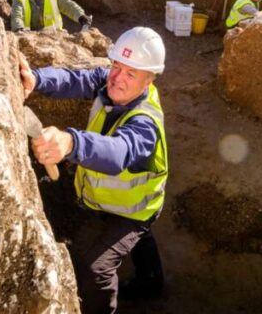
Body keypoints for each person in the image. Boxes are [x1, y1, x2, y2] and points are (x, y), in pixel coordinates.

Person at [19, 27, 168, 314]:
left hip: (134, 211)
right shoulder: (111, 83)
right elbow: (75, 79)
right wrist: (37, 79)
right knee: (141, 240)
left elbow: (119, 152)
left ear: (149, 79)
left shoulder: (145, 125)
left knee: (95, 267)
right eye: (116, 66)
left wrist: (71, 142)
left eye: (131, 73)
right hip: (117, 201)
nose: (117, 77)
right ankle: (151, 283)